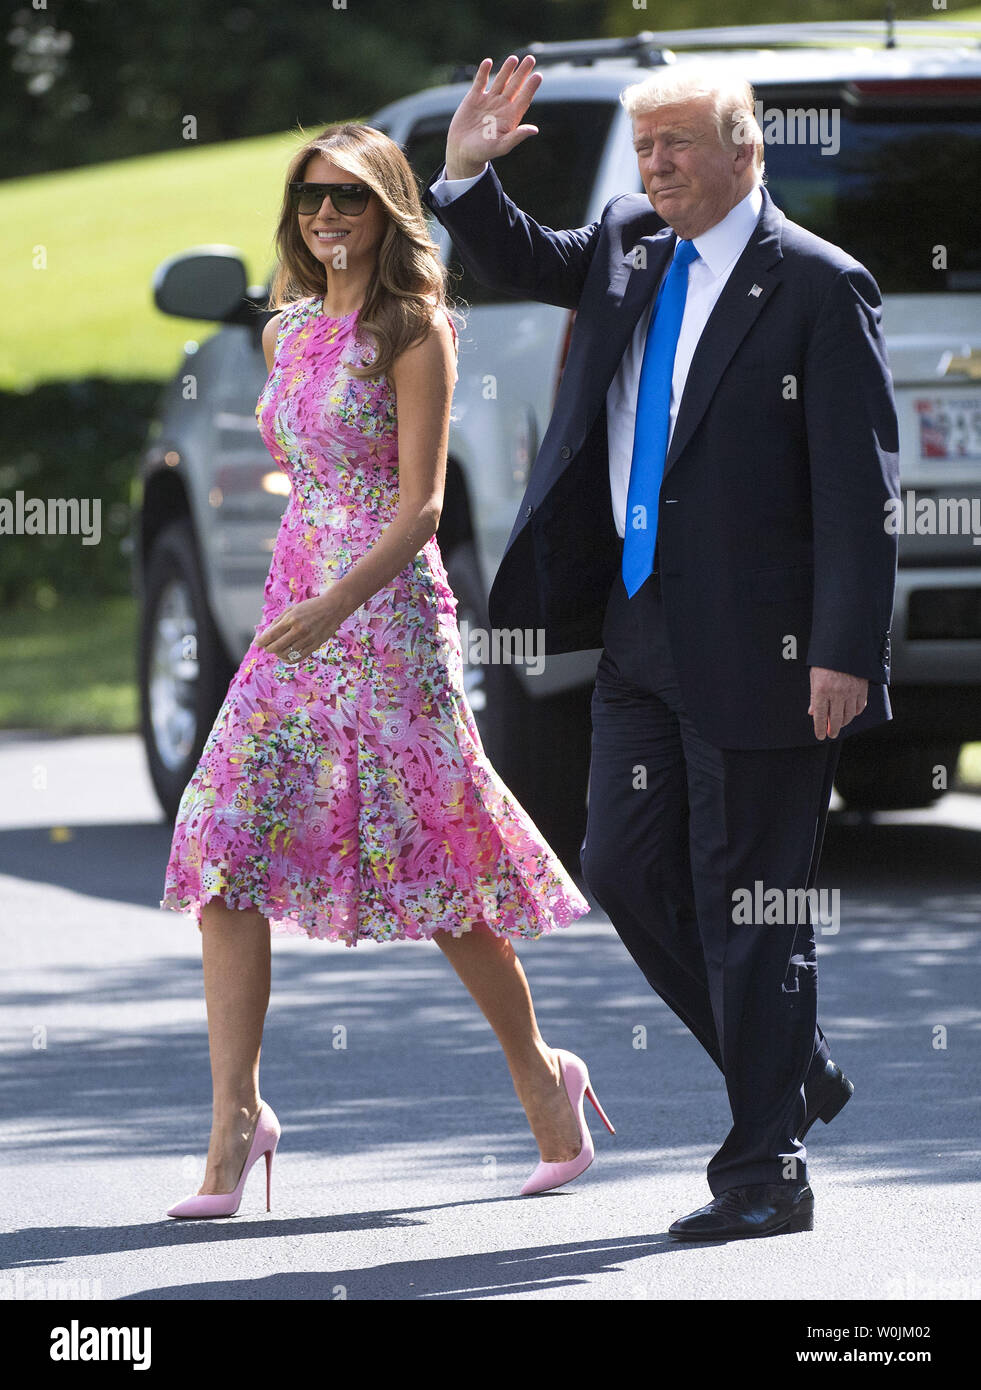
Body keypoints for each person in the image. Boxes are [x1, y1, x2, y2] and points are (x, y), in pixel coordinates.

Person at [423, 58, 899, 1240]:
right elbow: (521, 256)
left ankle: (762, 1172)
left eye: (678, 146)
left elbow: (860, 493)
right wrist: (467, 172)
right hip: (637, 633)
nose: (656, 169)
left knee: (754, 905)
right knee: (628, 872)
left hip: (772, 650)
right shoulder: (632, 240)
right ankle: (790, 1067)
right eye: (645, 151)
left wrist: (844, 650)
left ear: (748, 150)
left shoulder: (819, 288)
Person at [159, 122, 615, 1219]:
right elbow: (304, 477)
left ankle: (543, 1078)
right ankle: (235, 1121)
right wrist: (300, 607)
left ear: (385, 210)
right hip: (293, 620)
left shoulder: (417, 330)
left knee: (439, 865)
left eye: (350, 200)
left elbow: (422, 508)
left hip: (387, 619)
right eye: (312, 199)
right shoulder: (287, 334)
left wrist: (334, 603)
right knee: (222, 840)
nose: (327, 217)